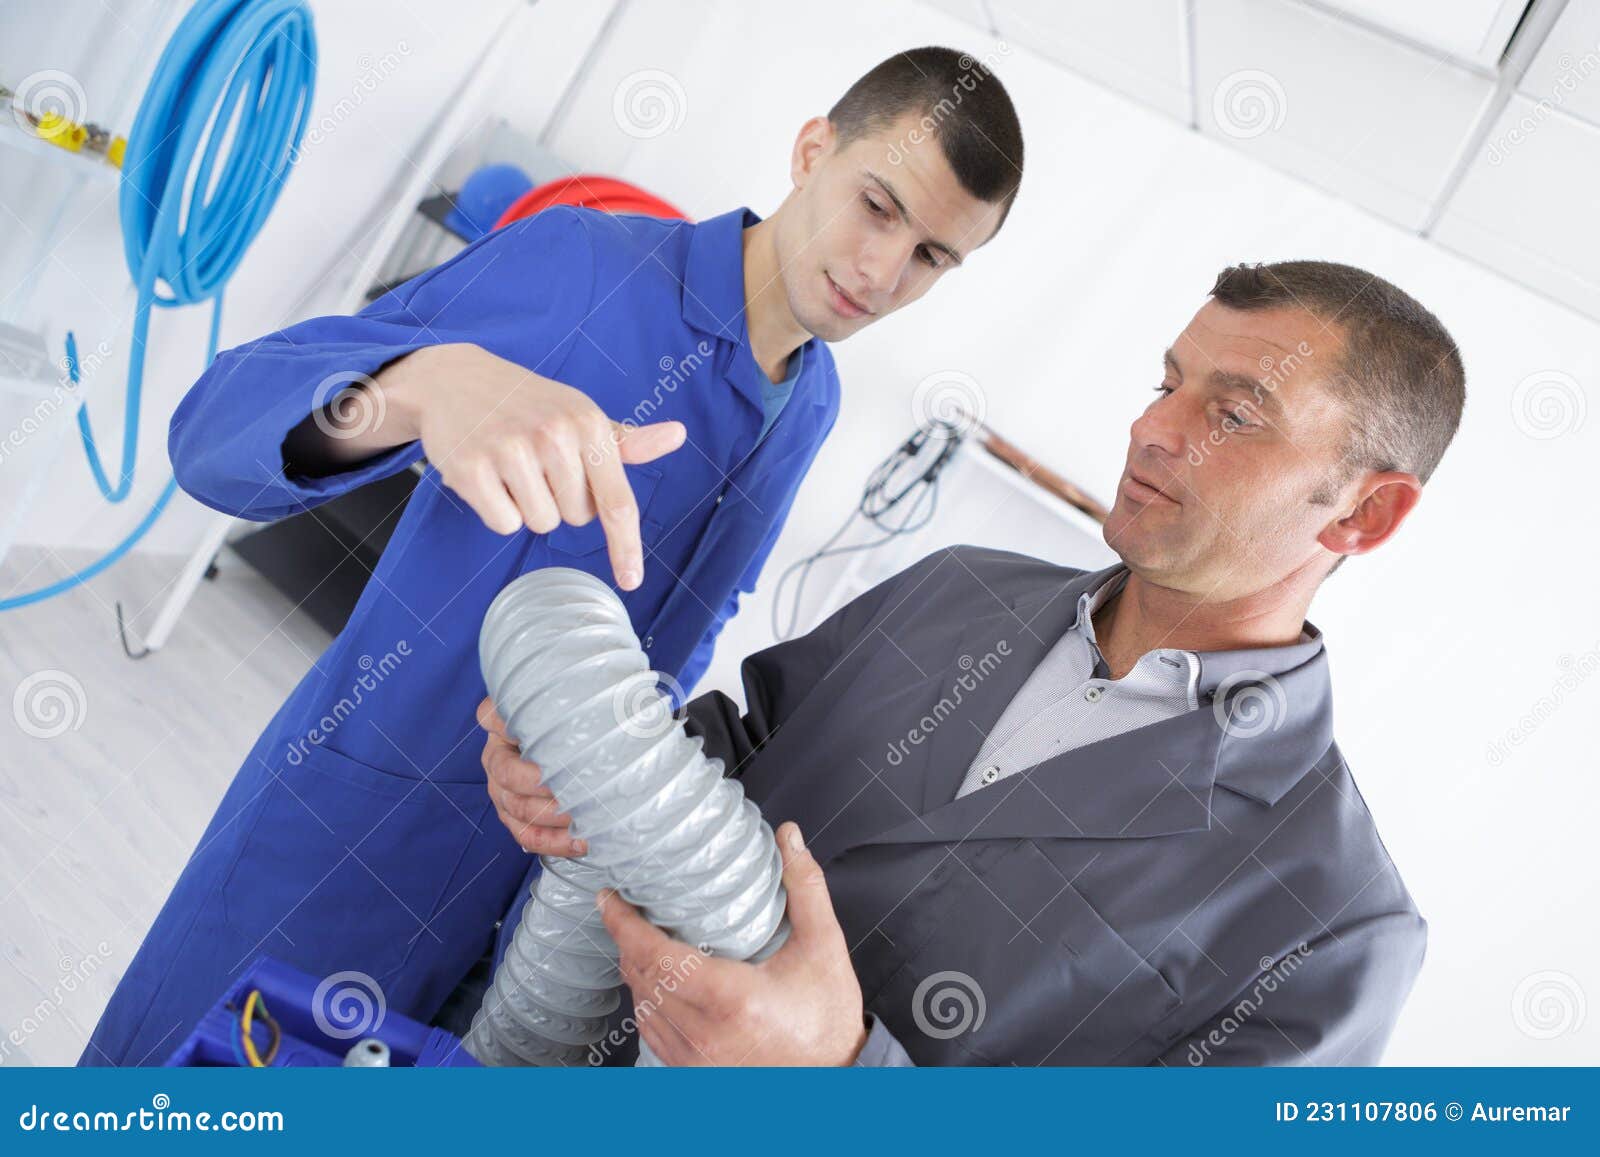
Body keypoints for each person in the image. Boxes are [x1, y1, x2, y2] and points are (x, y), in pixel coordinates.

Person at [82, 47, 1025, 1066]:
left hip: (534, 913)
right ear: (811, 152)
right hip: (344, 839)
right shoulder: (581, 265)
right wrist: (420, 386)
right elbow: (213, 432)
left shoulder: (811, 406)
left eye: (931, 255)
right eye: (877, 205)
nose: (884, 272)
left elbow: (684, 635)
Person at [484, 260, 1464, 1065]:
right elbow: (736, 751)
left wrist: (838, 1080)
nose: (1152, 428)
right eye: (1168, 384)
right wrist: (577, 763)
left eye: (1236, 415)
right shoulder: (960, 589)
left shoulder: (1333, 925)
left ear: (1363, 512)